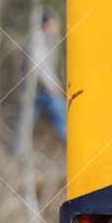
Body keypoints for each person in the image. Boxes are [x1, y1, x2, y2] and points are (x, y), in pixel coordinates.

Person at [28, 10, 67, 140]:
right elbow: (38, 64)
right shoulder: (38, 40)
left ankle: (67, 141)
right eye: (53, 25)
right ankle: (15, 149)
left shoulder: (51, 40)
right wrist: (51, 84)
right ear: (46, 25)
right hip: (36, 88)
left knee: (60, 115)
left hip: (43, 87)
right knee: (26, 119)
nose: (56, 28)